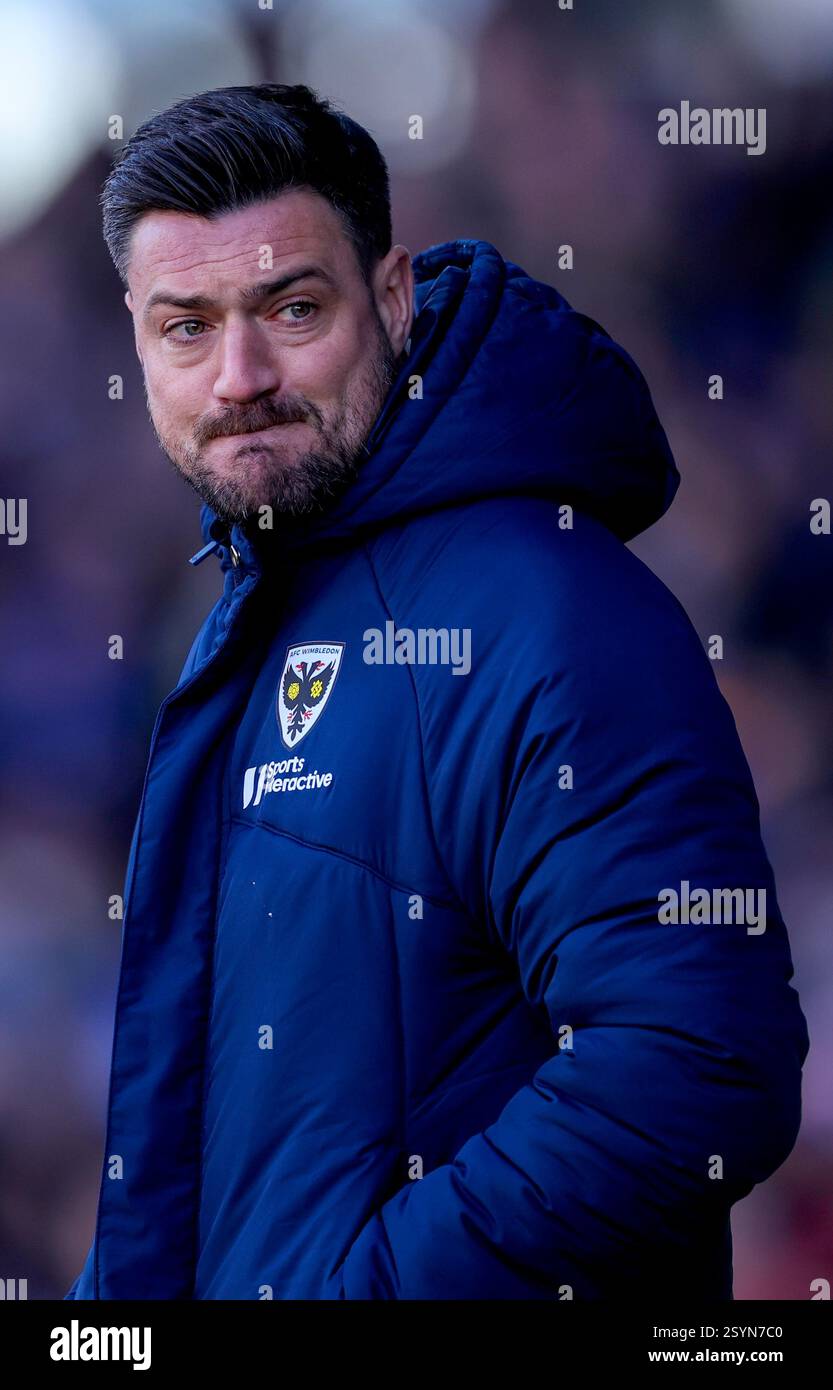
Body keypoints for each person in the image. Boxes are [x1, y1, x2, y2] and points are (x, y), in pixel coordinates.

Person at [65, 82, 809, 1300]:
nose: (239, 374)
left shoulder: (548, 607)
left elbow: (697, 1061)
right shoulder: (263, 608)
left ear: (393, 296)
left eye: (291, 308)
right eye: (185, 327)